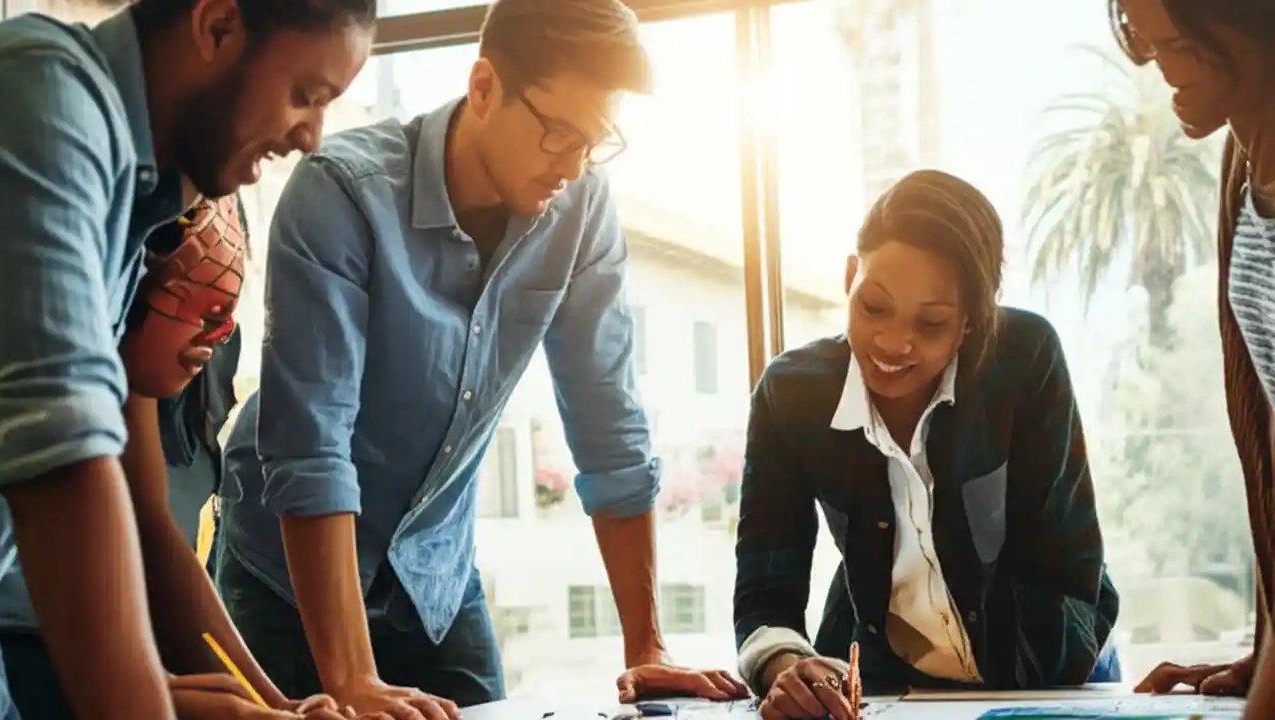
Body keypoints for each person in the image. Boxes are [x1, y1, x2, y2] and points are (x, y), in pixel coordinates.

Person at [215, 0, 749, 714]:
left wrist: (646, 645)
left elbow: (608, 424)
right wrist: (351, 682)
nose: (574, 165)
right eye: (559, 132)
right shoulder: (341, 193)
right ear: (485, 87)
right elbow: (312, 448)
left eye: (596, 142)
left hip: (433, 574)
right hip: (288, 577)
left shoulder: (582, 207)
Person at [0, 0, 372, 715]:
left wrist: (265, 707)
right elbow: (60, 450)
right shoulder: (41, 93)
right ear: (218, 25)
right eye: (306, 95)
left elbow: (136, 512)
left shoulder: (138, 200)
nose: (308, 136)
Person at [733, 170, 1120, 719]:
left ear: (970, 321)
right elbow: (765, 589)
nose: (893, 342)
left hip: (1048, 677)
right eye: (873, 307)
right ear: (850, 277)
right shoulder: (791, 393)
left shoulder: (1023, 360)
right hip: (886, 692)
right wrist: (786, 665)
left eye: (932, 322)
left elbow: (1069, 570)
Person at [0, 195, 252, 718]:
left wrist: (274, 703)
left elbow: (154, 531)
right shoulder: (49, 382)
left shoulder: (168, 365)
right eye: (206, 311)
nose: (219, 334)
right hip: (32, 642)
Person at [1108, 0, 1275, 705]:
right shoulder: (1245, 161)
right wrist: (1263, 652)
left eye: (1175, 42)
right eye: (1141, 41)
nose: (1157, 65)